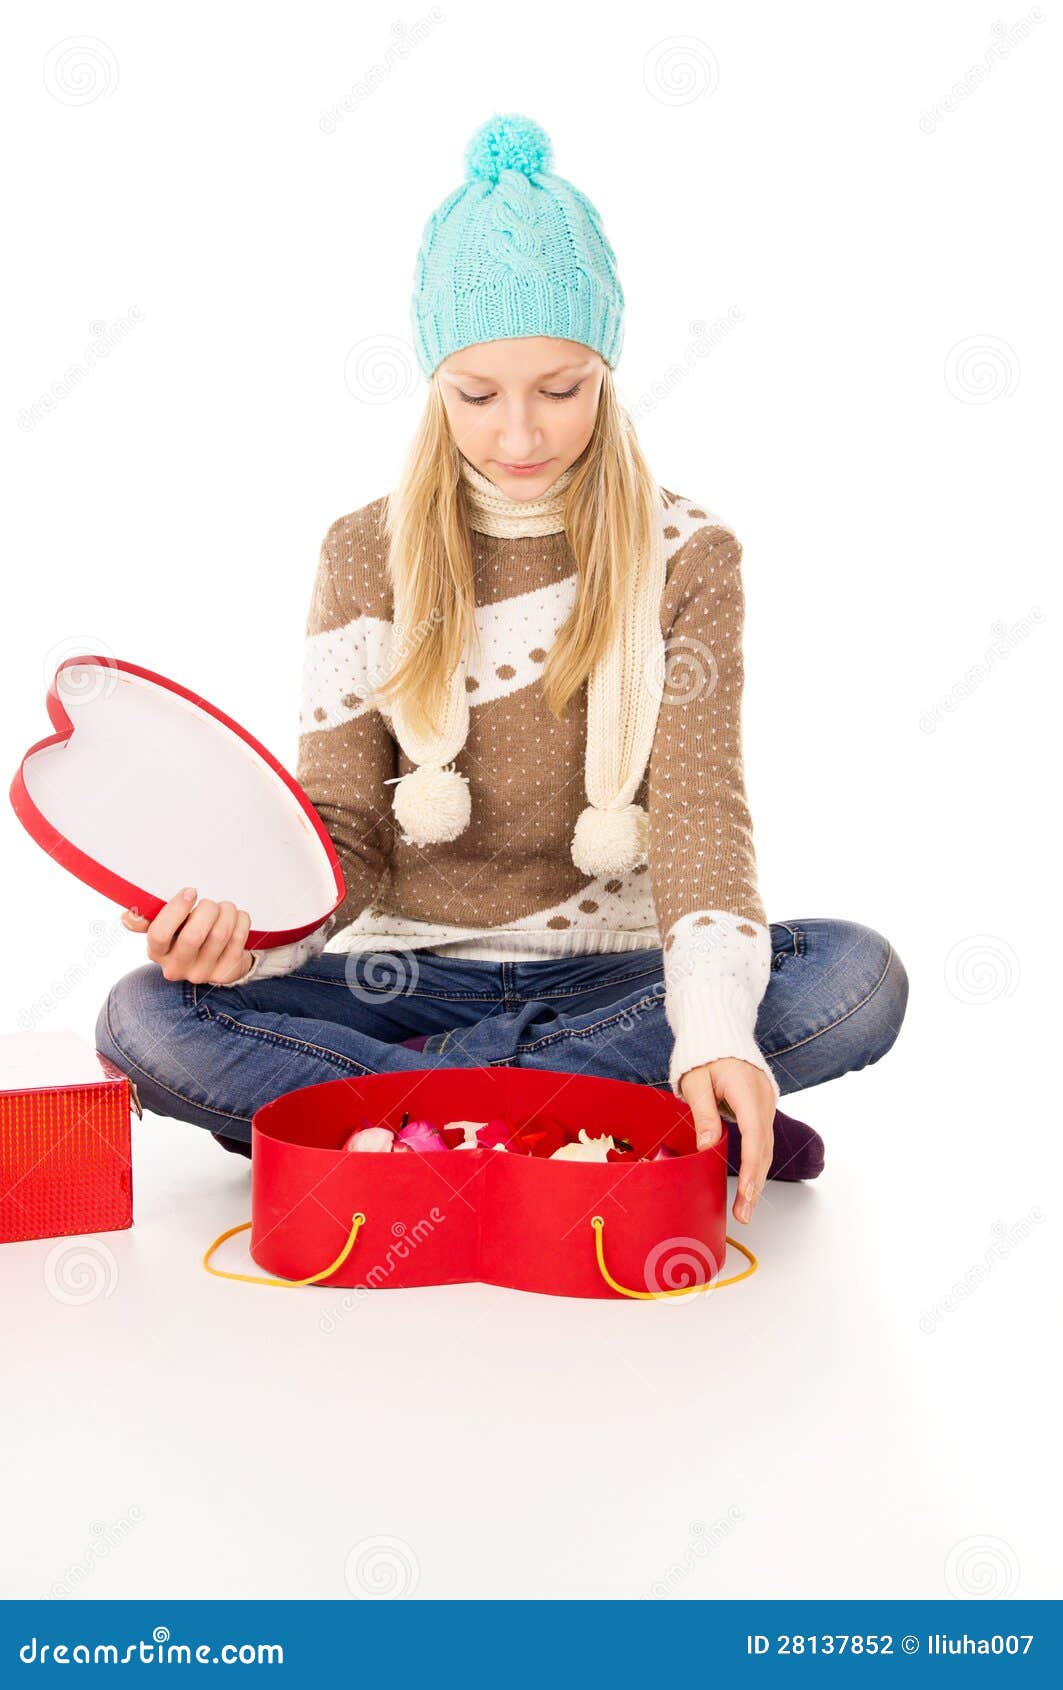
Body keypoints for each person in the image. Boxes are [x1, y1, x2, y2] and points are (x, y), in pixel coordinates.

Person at [95, 113, 908, 1229]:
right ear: (435, 381)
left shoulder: (690, 555)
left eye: (559, 388)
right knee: (148, 1014)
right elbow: (341, 830)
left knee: (856, 978)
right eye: (477, 395)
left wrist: (712, 1026)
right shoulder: (361, 551)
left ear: (606, 374)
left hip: (614, 977)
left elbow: (699, 827)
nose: (518, 434)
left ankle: (409, 1125)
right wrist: (249, 936)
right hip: (397, 981)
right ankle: (602, 1124)